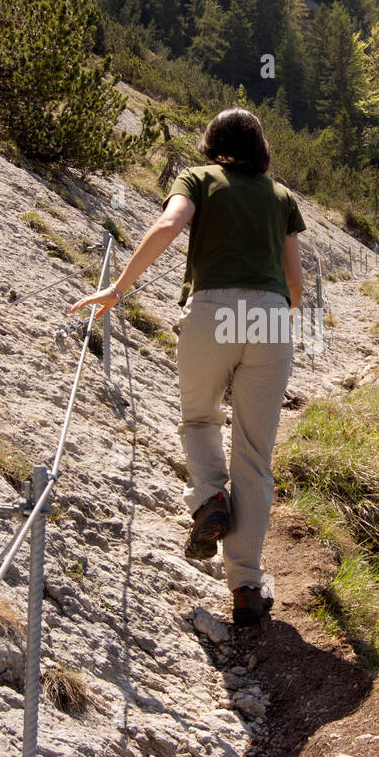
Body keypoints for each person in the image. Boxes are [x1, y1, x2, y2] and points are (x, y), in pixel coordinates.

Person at [69, 107, 306, 625]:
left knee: (199, 419)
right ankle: (246, 586)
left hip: (211, 312)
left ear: (211, 140)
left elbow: (168, 224)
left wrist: (117, 288)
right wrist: (267, 320)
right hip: (270, 320)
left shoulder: (197, 178)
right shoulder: (282, 198)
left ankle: (209, 501)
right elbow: (296, 286)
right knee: (255, 457)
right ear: (261, 147)